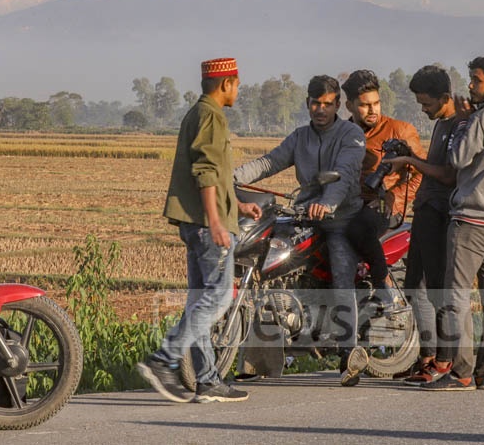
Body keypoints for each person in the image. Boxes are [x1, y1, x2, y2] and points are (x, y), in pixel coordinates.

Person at [137, 57, 262, 404]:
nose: (239, 90)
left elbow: (216, 175)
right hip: (208, 227)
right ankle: (164, 359)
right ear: (226, 84)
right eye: (237, 84)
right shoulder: (211, 116)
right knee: (218, 298)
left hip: (197, 224)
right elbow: (205, 171)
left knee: (198, 301)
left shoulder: (197, 113)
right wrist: (218, 221)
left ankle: (206, 380)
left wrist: (237, 205)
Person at [233, 75, 369, 387]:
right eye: (315, 103)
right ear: (307, 103)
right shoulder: (300, 137)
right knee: (264, 264)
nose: (320, 109)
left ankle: (349, 354)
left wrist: (329, 204)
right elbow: (269, 162)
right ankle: (258, 359)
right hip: (303, 213)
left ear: (337, 104)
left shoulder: (351, 134)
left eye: (327, 103)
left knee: (341, 272)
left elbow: (346, 174)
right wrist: (232, 178)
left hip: (341, 218)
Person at [421, 55, 484, 391]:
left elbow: (457, 158)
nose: (469, 86)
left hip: (472, 218)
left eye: (476, 80)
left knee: (457, 296)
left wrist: (464, 122)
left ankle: (461, 371)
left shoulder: (482, 119)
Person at [381, 65, 458, 383]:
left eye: (427, 103)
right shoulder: (442, 123)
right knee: (415, 287)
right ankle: (427, 355)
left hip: (441, 214)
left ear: (445, 97)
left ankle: (444, 358)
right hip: (425, 211)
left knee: (438, 289)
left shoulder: (457, 127)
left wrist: (411, 161)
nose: (423, 109)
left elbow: (447, 174)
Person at [341, 70, 423, 309]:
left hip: (383, 208)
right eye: (365, 105)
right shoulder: (340, 133)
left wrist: (392, 196)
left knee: (359, 226)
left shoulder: (400, 130)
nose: (373, 110)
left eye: (376, 103)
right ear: (349, 105)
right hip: (347, 205)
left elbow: (421, 172)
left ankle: (381, 282)